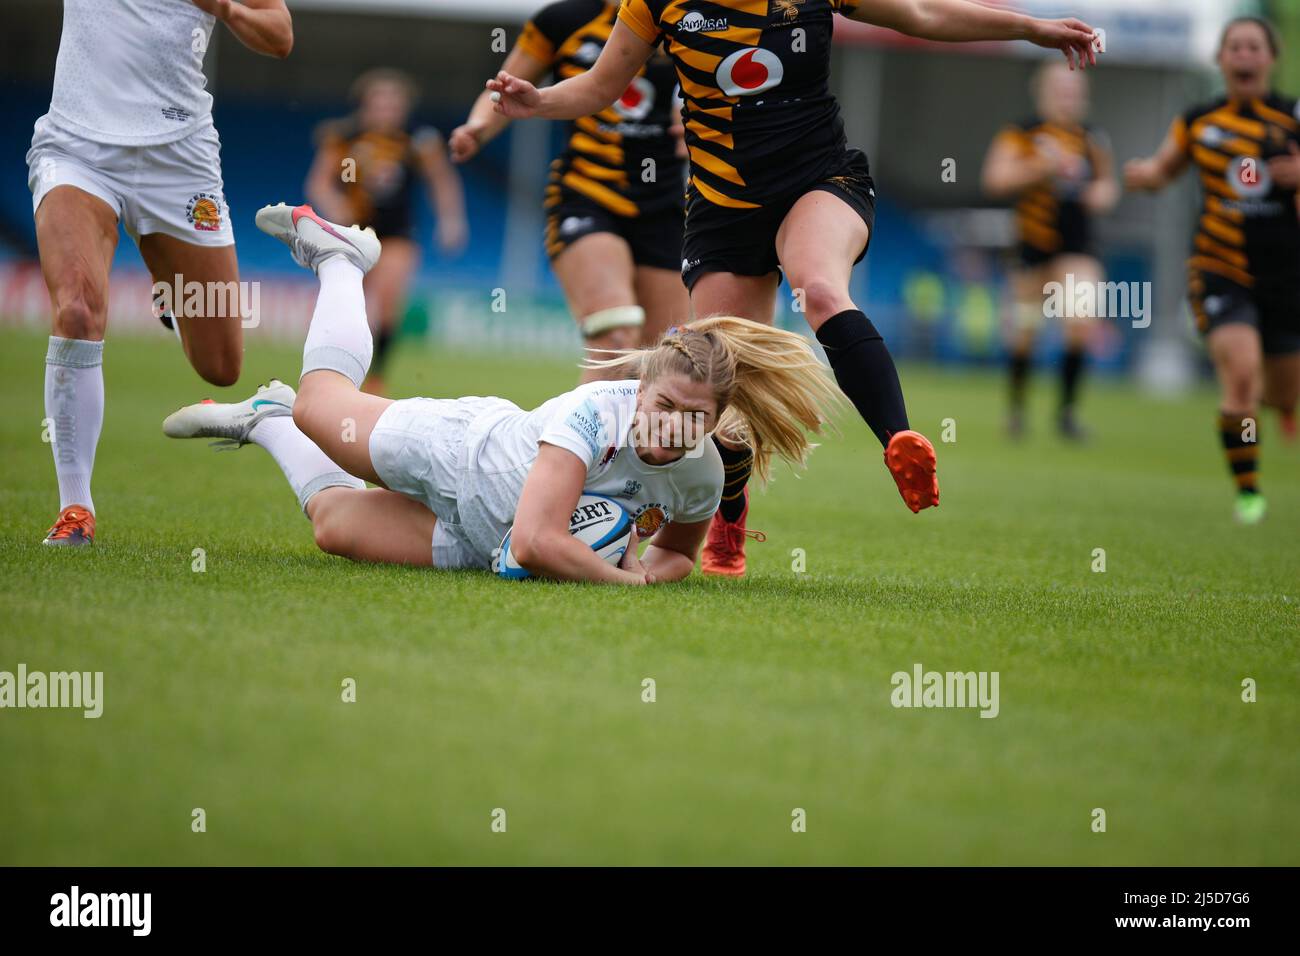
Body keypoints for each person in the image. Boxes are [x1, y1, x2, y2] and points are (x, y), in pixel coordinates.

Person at [484, 0, 1101, 574]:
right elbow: (598, 86)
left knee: (822, 290)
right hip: (723, 212)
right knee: (720, 383)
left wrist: (1031, 27)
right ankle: (728, 512)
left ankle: (900, 439)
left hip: (821, 179)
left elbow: (920, 13)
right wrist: (536, 101)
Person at [162, 203, 841, 583]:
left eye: (696, 420)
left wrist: (645, 566)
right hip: (457, 453)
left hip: (483, 539)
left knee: (333, 526)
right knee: (321, 407)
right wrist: (620, 579)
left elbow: (676, 557)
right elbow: (541, 540)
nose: (675, 428)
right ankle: (342, 262)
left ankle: (265, 420)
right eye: (665, 409)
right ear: (639, 394)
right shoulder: (590, 415)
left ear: (717, 420)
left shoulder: (700, 473)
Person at [27, 0, 293, 546]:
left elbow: (279, 34)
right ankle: (75, 509)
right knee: (77, 309)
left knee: (221, 367)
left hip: (180, 157)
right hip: (79, 147)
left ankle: (170, 294)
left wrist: (221, 7)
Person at [449, 0, 690, 383]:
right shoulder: (563, 21)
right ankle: (573, 444)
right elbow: (503, 89)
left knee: (666, 361)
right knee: (615, 335)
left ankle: (635, 444)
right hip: (586, 193)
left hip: (664, 205)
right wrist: (477, 127)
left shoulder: (684, 16)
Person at [1124, 16, 1300, 524]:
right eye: (1234, 47)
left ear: (1272, 57)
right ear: (1221, 59)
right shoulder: (1199, 120)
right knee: (1241, 376)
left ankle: (1282, 406)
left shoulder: (1293, 118)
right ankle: (1249, 492)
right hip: (1219, 268)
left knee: (1280, 392)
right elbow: (1163, 170)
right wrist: (1141, 175)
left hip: (1287, 277)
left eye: (1254, 47)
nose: (1244, 55)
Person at [306, 68, 468, 395]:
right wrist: (335, 205)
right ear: (364, 104)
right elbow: (319, 183)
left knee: (388, 301)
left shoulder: (418, 139)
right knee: (352, 304)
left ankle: (376, 377)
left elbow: (442, 181)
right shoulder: (343, 137)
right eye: (380, 102)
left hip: (398, 233)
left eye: (394, 104)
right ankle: (335, 371)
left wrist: (451, 220)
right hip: (351, 234)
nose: (387, 110)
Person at [982, 60, 1118, 440]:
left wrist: (1098, 196)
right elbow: (995, 180)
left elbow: (1108, 186)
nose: (1067, 98)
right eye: (1060, 90)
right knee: (1024, 331)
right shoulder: (1021, 135)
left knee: (1081, 319)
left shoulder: (1093, 138)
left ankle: (1067, 413)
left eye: (1074, 91)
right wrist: (1041, 168)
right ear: (1042, 92)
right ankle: (1016, 411)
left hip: (1077, 244)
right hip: (1030, 246)